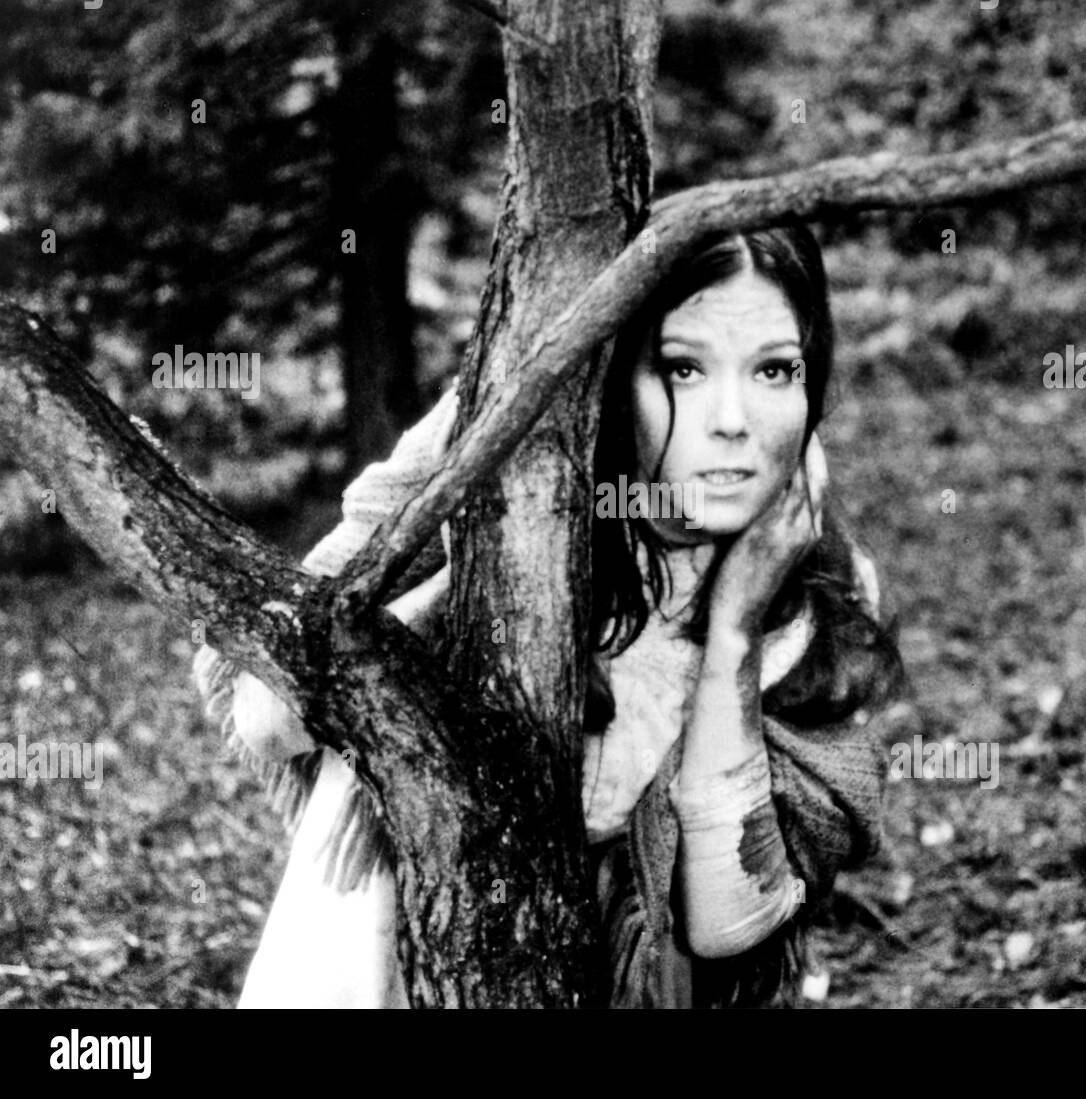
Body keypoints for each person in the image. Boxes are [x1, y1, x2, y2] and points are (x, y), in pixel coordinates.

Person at [193, 221, 903, 1009]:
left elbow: (731, 920)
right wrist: (468, 586)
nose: (732, 418)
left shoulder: (816, 607)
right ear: (610, 373)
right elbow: (269, 709)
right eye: (683, 368)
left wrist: (735, 624)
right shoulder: (495, 467)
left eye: (774, 369)